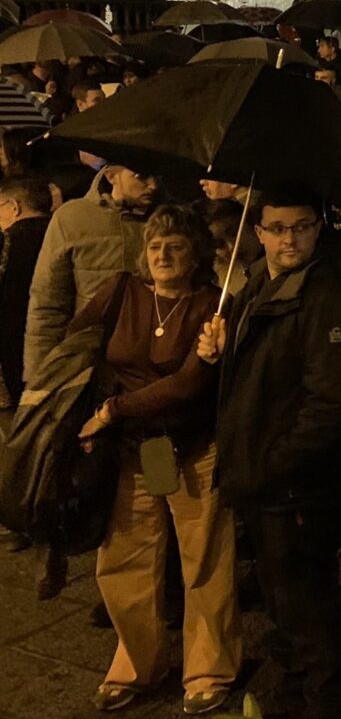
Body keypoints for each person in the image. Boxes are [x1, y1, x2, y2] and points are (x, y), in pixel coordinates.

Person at [196, 184, 341, 719]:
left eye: (301, 227)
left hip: (295, 484)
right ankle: (297, 686)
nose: (289, 239)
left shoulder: (325, 296)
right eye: (277, 228)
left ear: (317, 229)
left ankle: (329, 699)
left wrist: (271, 467)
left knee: (307, 598)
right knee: (280, 596)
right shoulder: (255, 284)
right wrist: (219, 352)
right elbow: (251, 377)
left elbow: (329, 405)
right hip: (259, 475)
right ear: (259, 232)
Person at [78, 206, 240, 714]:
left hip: (192, 449)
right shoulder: (121, 292)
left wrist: (114, 409)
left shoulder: (215, 306)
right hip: (130, 452)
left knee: (205, 564)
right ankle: (136, 665)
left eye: (176, 246)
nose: (163, 255)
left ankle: (208, 671)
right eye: (154, 246)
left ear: (196, 254)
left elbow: (188, 383)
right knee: (123, 562)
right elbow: (76, 343)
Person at [24, 166, 160, 384]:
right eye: (141, 176)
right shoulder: (72, 218)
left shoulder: (169, 219)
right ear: (111, 176)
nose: (153, 185)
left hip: (152, 360)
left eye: (157, 175)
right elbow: (48, 302)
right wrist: (39, 376)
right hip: (89, 360)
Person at [0, 177, 50, 409]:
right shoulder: (62, 235)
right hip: (58, 349)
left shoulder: (7, 239)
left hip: (11, 351)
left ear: (14, 206)